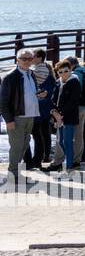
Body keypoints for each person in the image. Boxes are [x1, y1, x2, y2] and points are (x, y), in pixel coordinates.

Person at [1, 49, 40, 183]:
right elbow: (3, 101)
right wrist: (9, 120)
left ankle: (16, 172)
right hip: (17, 117)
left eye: (30, 58)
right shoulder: (10, 77)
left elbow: (31, 92)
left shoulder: (31, 74)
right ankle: (12, 175)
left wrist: (40, 93)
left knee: (24, 145)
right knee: (16, 147)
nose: (28, 61)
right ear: (17, 60)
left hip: (31, 115)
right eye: (24, 59)